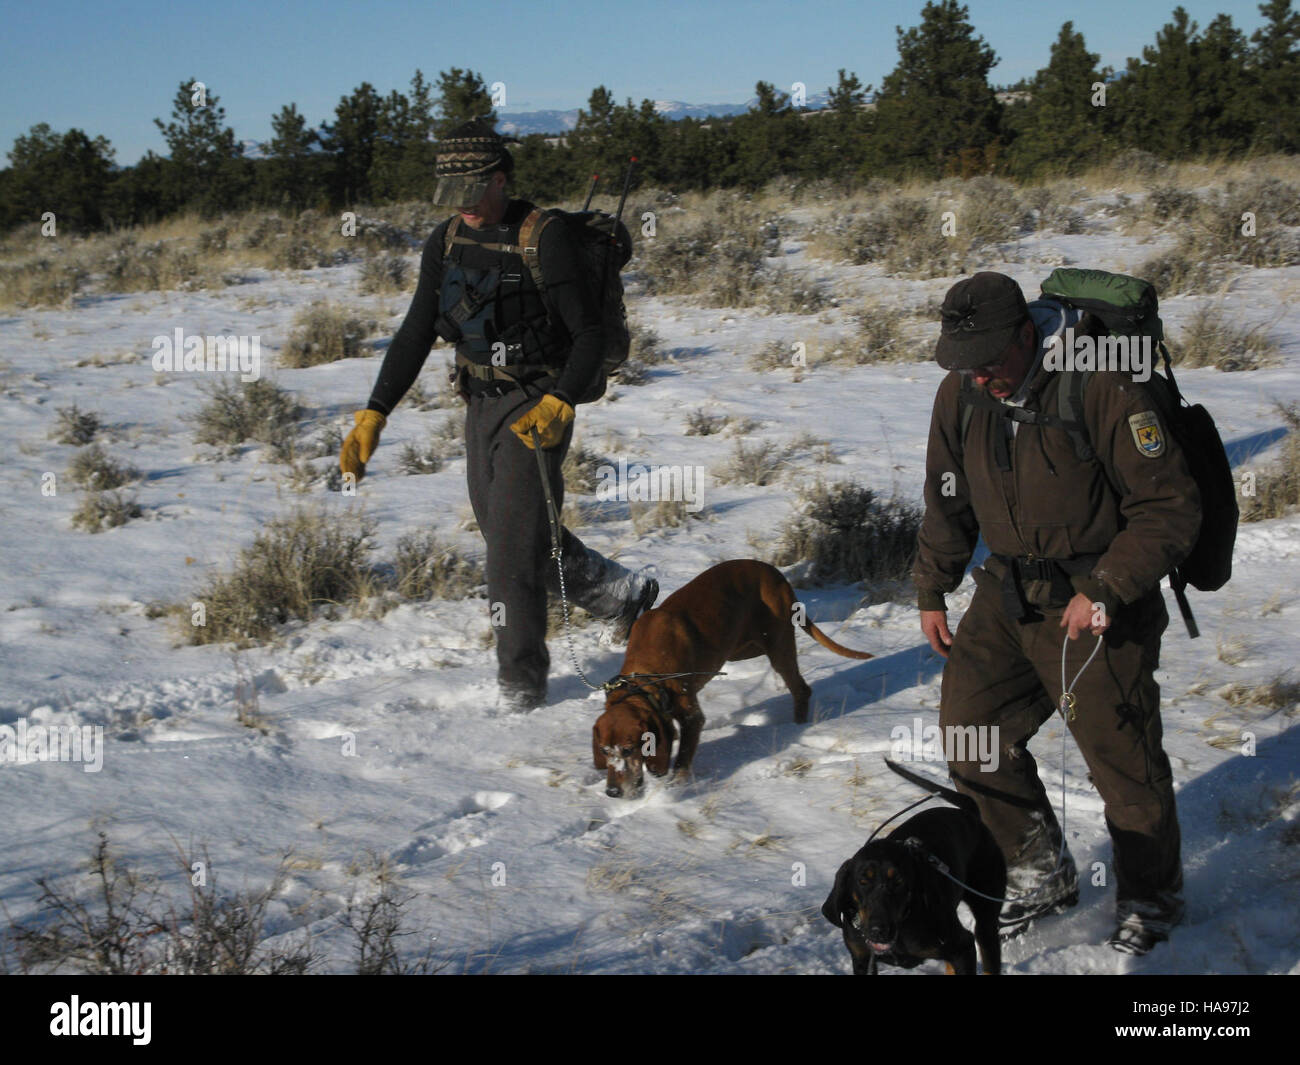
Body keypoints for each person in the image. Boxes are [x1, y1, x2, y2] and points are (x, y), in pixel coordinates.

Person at [912, 271, 1201, 955]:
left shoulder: (1101, 384)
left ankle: (1151, 894)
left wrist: (1105, 586)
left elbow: (1169, 508)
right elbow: (946, 497)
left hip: (1099, 598)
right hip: (1007, 591)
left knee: (1121, 761)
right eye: (966, 365)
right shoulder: (962, 390)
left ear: (1024, 335)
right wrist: (931, 586)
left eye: (989, 361)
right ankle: (1037, 872)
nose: (980, 379)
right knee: (970, 732)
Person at [339, 119, 657, 714]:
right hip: (478, 401)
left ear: (500, 180)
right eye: (451, 198)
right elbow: (415, 330)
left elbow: (587, 333)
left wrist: (561, 402)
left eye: (473, 195)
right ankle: (623, 596)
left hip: (537, 401)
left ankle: (521, 690)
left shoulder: (545, 236)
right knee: (514, 533)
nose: (465, 210)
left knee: (509, 554)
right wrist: (374, 414)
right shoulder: (448, 240)